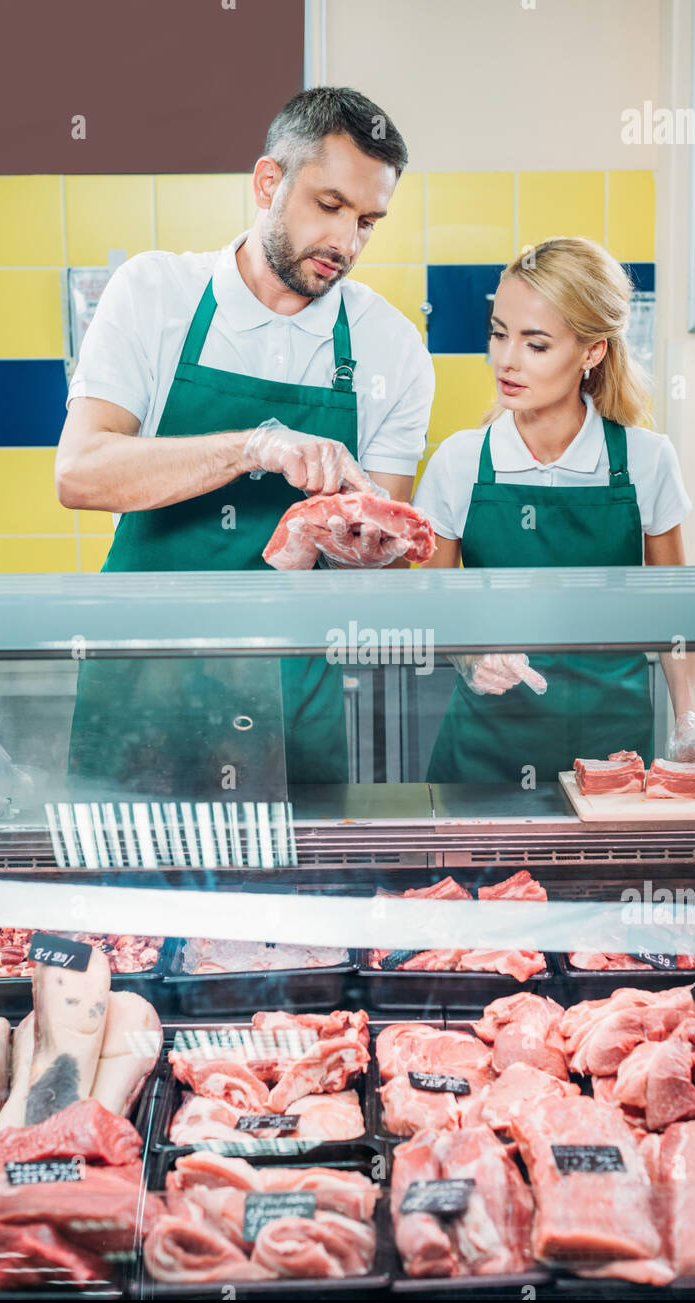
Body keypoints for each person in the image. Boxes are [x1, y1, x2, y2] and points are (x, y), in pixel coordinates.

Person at [55, 87, 433, 793]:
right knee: (125, 900)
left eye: (367, 222)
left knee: (292, 899)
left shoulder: (392, 349)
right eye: (329, 207)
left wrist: (350, 535)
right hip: (144, 678)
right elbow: (79, 473)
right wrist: (255, 447)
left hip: (295, 693)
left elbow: (386, 567)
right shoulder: (155, 294)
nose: (345, 244)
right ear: (267, 182)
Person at [416, 236, 695, 787]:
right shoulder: (461, 461)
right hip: (483, 753)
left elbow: (677, 612)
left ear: (592, 352)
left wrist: (690, 720)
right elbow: (428, 609)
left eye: (535, 345)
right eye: (499, 334)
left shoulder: (646, 461)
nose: (506, 360)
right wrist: (468, 659)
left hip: (614, 753)